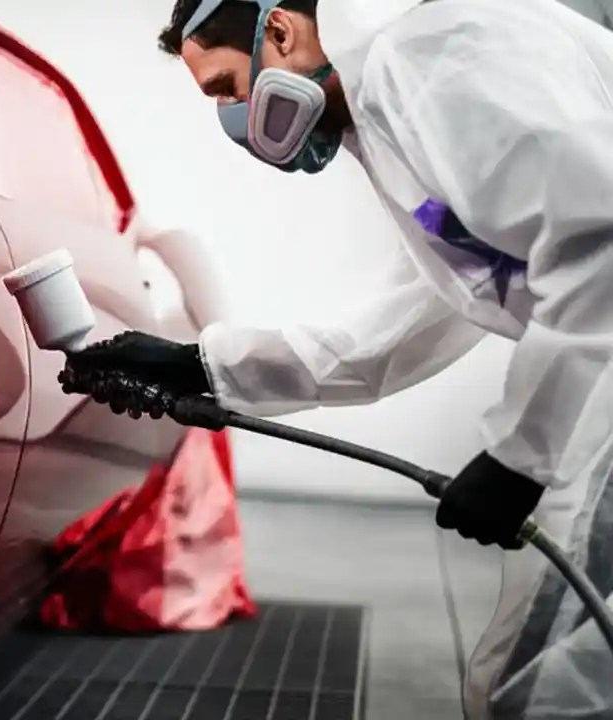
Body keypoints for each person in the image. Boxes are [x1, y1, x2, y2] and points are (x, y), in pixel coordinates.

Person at [60, 0, 613, 717]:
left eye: (226, 88)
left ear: (281, 32)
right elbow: (421, 310)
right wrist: (200, 365)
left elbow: (597, 241)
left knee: (544, 689)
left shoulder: (435, 61)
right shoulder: (388, 106)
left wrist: (519, 456)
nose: (232, 118)